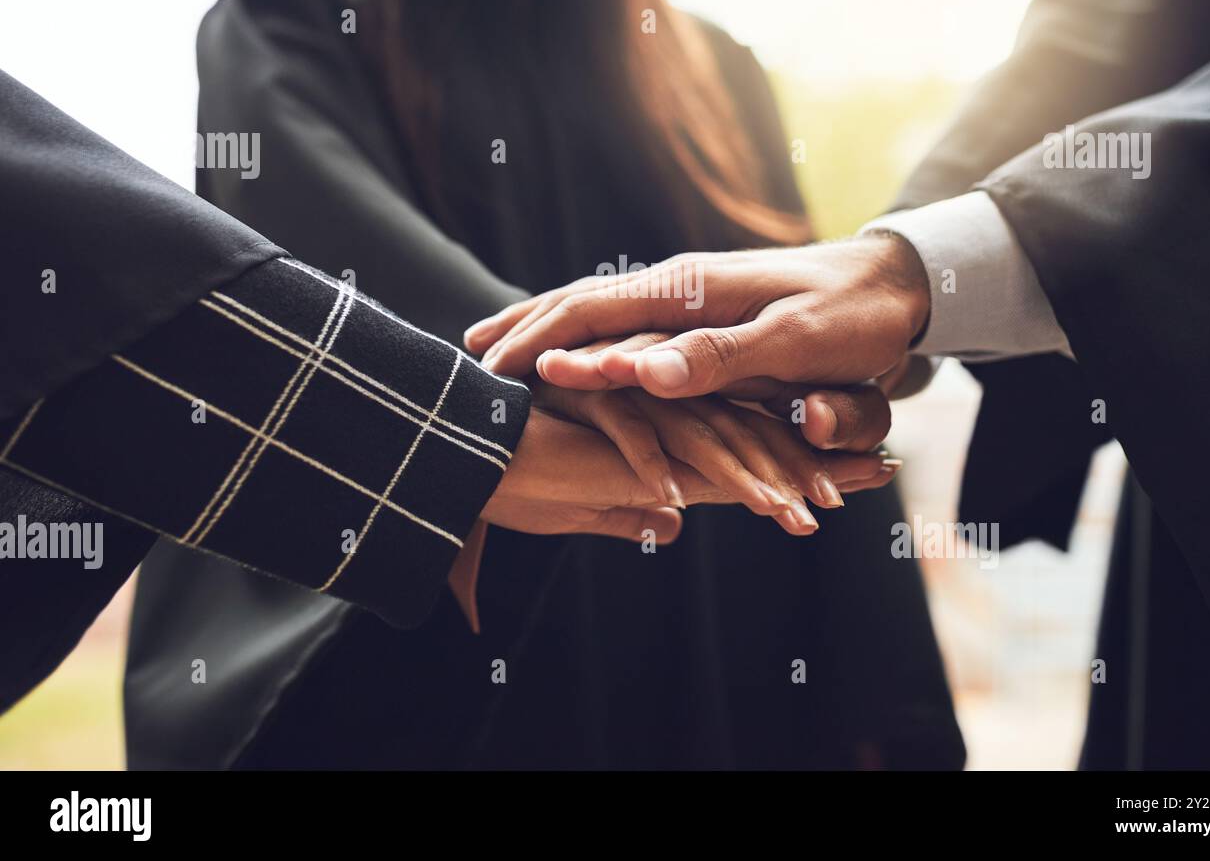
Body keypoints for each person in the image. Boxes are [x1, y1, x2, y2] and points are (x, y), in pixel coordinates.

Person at [123, 0, 965, 770]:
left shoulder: (715, 76)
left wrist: (885, 705)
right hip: (452, 647)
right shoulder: (292, 29)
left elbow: (801, 356)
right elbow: (339, 270)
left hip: (710, 628)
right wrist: (590, 378)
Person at [473, 0, 1210, 769]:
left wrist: (898, 300)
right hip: (566, 521)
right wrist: (876, 309)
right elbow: (1021, 125)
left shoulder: (706, 69)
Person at [0, 65, 782, 713]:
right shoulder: (284, 28)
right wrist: (495, 414)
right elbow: (67, 255)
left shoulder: (713, 71)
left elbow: (789, 339)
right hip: (410, 640)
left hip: (694, 566)